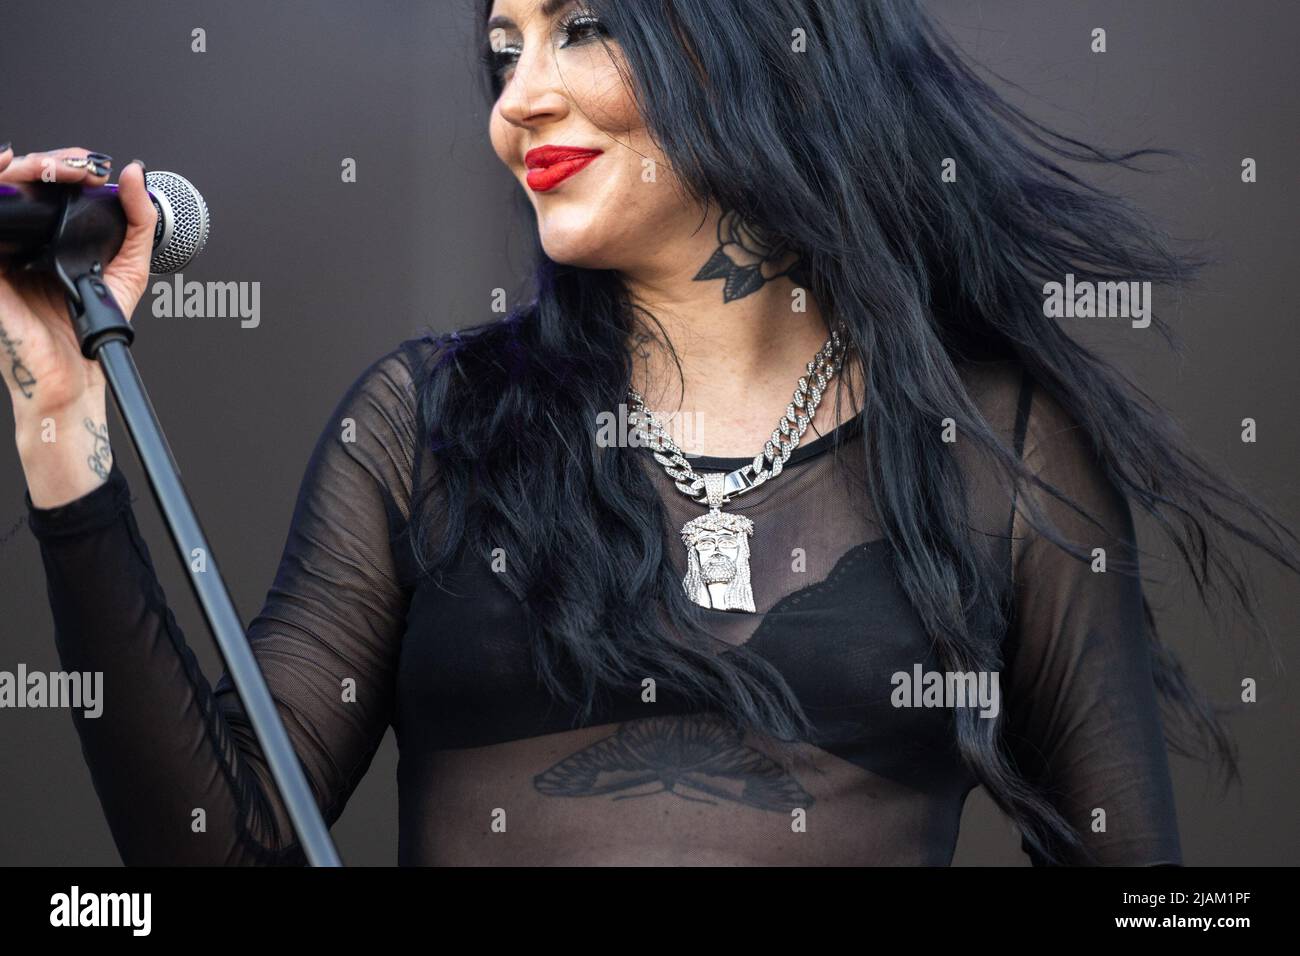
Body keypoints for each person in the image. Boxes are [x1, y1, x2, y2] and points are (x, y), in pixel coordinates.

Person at [3, 0, 1296, 866]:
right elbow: (220, 843)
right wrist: (65, 423)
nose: (519, 99)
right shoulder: (427, 428)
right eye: (504, 49)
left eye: (585, 30)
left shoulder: (999, 454)